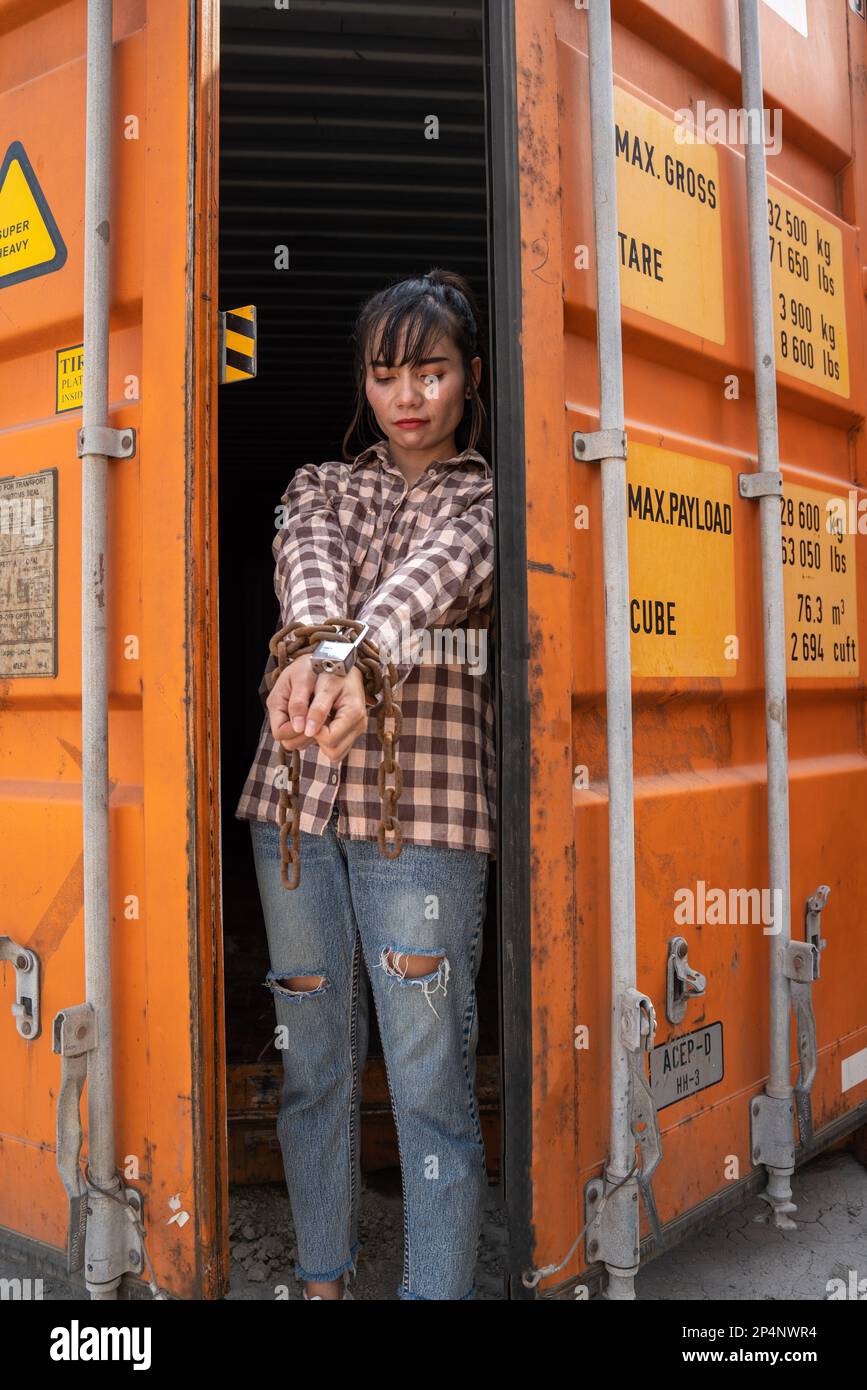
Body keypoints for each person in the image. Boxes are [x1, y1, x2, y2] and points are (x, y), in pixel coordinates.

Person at [235, 268, 496, 1301]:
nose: (409, 395)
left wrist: (354, 663)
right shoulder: (321, 485)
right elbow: (312, 564)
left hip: (423, 827)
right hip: (292, 815)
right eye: (386, 374)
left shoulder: (488, 496)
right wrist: (306, 648)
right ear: (366, 383)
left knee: (431, 1087)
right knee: (312, 1072)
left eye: (430, 370)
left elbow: (430, 577)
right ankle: (321, 1280)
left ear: (469, 377)